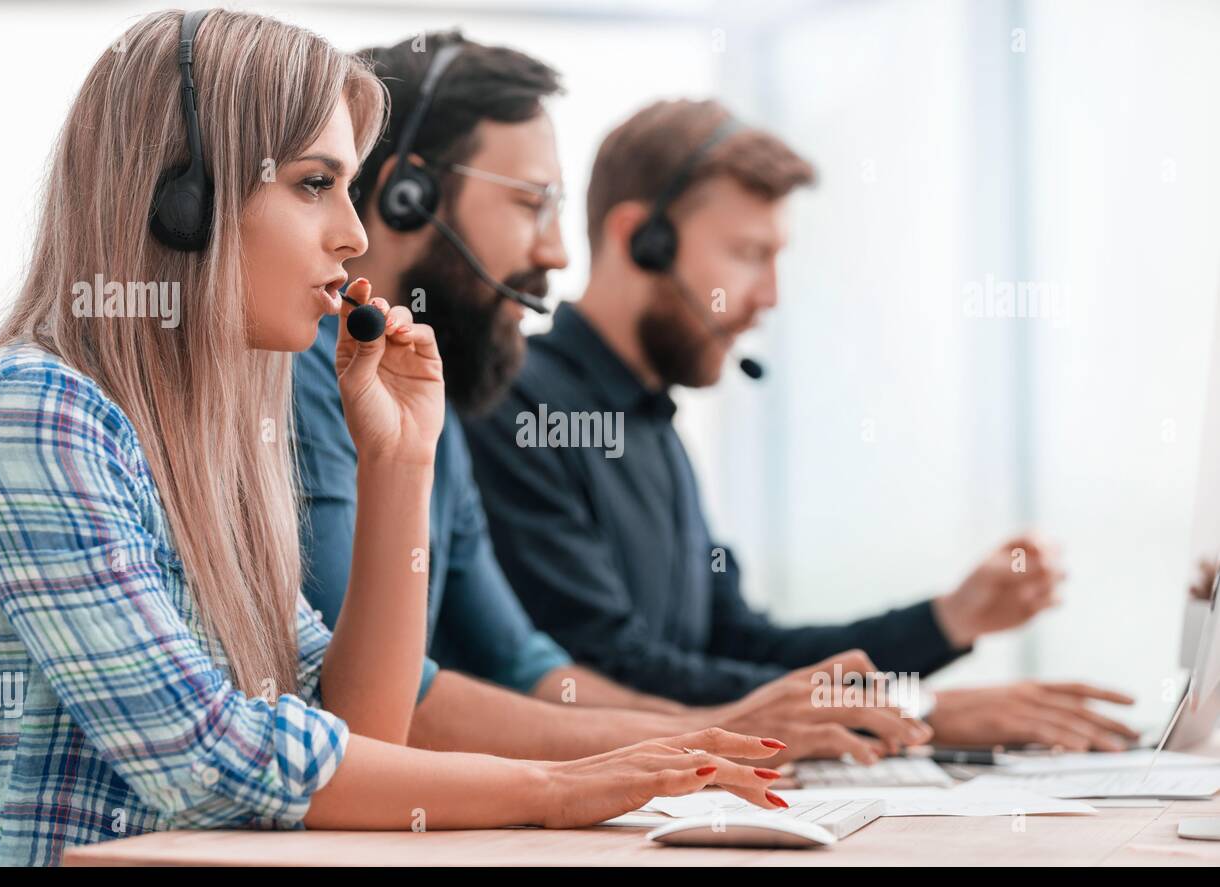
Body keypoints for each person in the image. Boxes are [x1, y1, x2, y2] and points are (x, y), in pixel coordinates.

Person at [0, 11, 789, 866]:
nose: (356, 232)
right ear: (180, 199)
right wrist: (554, 790)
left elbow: (355, 728)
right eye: (312, 183)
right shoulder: (33, 417)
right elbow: (205, 758)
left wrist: (399, 463)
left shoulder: (206, 441)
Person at [293, 31, 931, 767]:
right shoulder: (308, 377)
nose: (559, 252)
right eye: (533, 204)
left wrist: (723, 731)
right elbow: (369, 707)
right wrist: (705, 735)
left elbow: (531, 669)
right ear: (410, 198)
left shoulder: (432, 395)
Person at [464, 98, 1139, 752]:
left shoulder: (654, 428)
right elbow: (607, 671)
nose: (770, 296)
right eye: (750, 254)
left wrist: (950, 618)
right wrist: (914, 710)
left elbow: (737, 647)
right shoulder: (518, 409)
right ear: (641, 240)